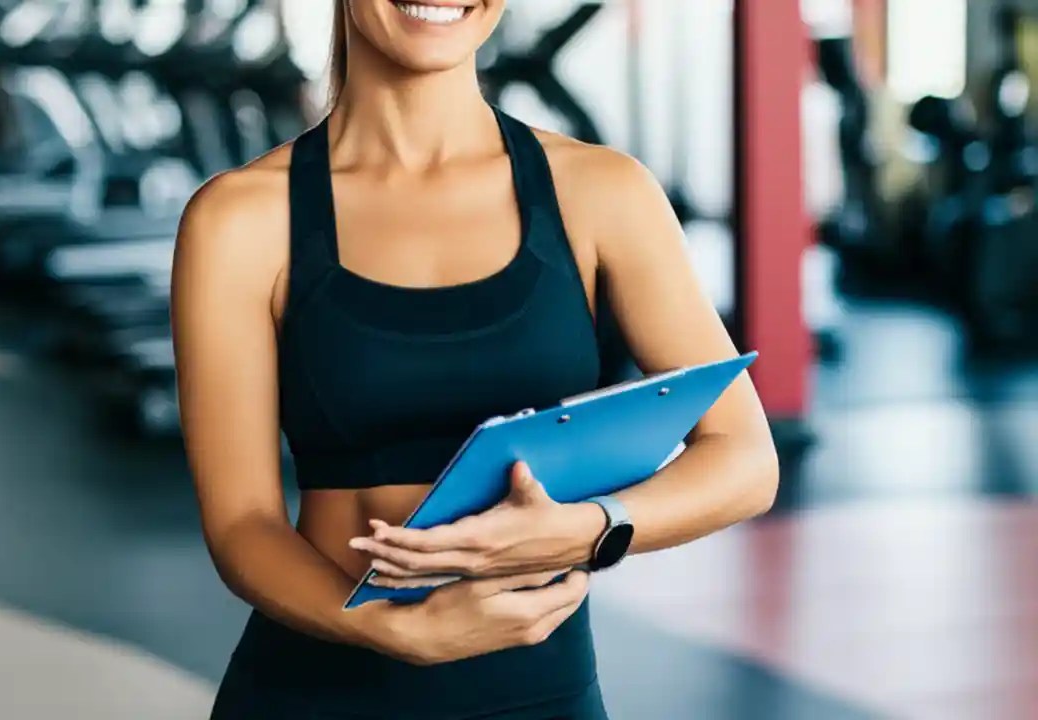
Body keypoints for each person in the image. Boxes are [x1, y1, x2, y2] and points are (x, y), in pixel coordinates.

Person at [170, 1, 779, 717]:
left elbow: (745, 459)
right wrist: (389, 628)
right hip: (316, 692)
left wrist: (592, 526)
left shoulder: (603, 192)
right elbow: (242, 524)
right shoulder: (238, 219)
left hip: (541, 695)